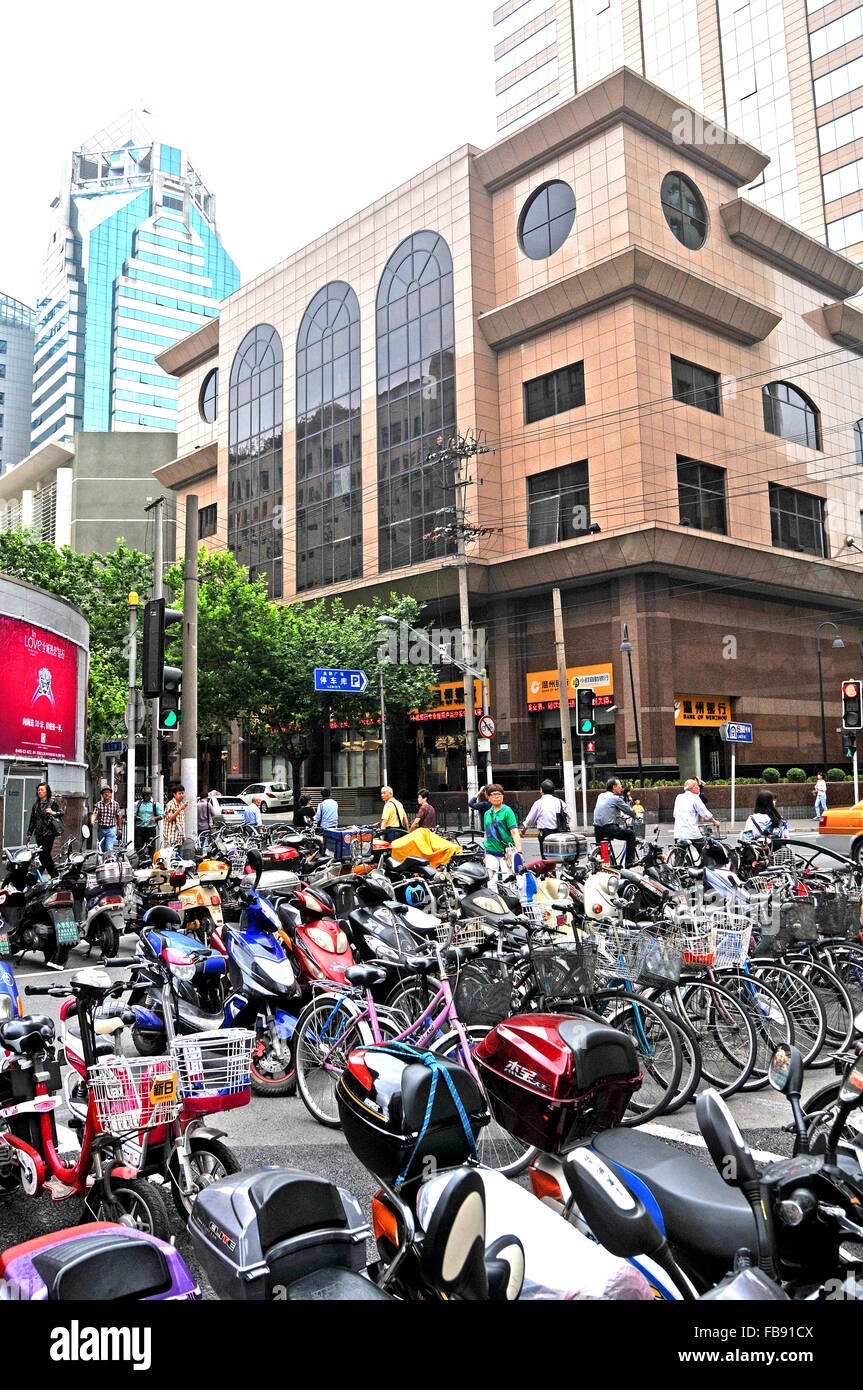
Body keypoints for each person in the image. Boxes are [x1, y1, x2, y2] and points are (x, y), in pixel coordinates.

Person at [593, 777, 638, 867]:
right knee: (631, 835)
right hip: (608, 828)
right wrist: (636, 815)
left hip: (597, 829)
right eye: (619, 785)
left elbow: (605, 809)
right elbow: (629, 811)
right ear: (614, 787)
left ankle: (604, 864)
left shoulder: (600, 796)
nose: (621, 788)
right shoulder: (615, 798)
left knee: (602, 849)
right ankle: (629, 862)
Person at [482, 784, 523, 883]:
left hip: (506, 852)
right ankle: (494, 898)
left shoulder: (507, 811)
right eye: (493, 794)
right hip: (490, 852)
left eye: (499, 794)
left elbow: (514, 832)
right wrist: (485, 854)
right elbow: (486, 833)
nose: (496, 796)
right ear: (488, 797)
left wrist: (519, 852)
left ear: (503, 796)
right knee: (491, 881)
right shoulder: (487, 814)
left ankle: (510, 898)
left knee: (507, 880)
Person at [522, 778, 571, 855]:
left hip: (545, 834)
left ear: (541, 790)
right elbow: (568, 817)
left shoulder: (538, 803)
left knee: (546, 858)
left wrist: (523, 831)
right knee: (558, 856)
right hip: (559, 833)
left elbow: (529, 820)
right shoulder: (560, 802)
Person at [26, 783, 64, 875]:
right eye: (38, 790)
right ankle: (55, 875)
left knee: (44, 855)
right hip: (39, 834)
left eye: (42, 790)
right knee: (46, 856)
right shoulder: (36, 805)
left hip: (49, 833)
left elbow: (61, 812)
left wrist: (53, 812)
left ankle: (35, 877)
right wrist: (29, 833)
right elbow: (33, 820)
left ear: (47, 792)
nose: (40, 791)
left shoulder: (51, 802)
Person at [673, 778, 720, 843]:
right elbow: (704, 812)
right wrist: (715, 822)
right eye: (696, 786)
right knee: (703, 849)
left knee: (681, 851)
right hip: (692, 833)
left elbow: (675, 814)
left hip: (678, 833)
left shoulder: (679, 797)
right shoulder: (694, 797)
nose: (698, 787)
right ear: (692, 788)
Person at [91, 784, 122, 853]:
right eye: (104, 792)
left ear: (111, 794)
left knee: (108, 847)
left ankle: (109, 862)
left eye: (108, 792)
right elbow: (94, 814)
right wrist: (92, 820)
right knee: (101, 848)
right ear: (102, 795)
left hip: (111, 829)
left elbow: (119, 816)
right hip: (101, 829)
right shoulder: (98, 804)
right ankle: (102, 862)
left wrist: (120, 828)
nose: (106, 794)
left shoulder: (115, 804)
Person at [135, 787, 163, 852]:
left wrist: (154, 818)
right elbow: (132, 814)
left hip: (151, 829)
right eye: (144, 794)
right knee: (138, 847)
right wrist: (136, 817)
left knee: (151, 847)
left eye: (147, 795)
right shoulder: (138, 804)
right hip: (140, 828)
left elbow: (161, 815)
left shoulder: (155, 804)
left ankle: (150, 860)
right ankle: (140, 860)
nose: (145, 796)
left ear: (150, 795)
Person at [163, 784, 188, 849]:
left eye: (183, 793)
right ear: (174, 794)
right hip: (171, 837)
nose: (182, 795)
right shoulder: (171, 804)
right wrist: (180, 809)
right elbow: (169, 818)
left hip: (180, 837)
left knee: (180, 857)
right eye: (179, 793)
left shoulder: (181, 804)